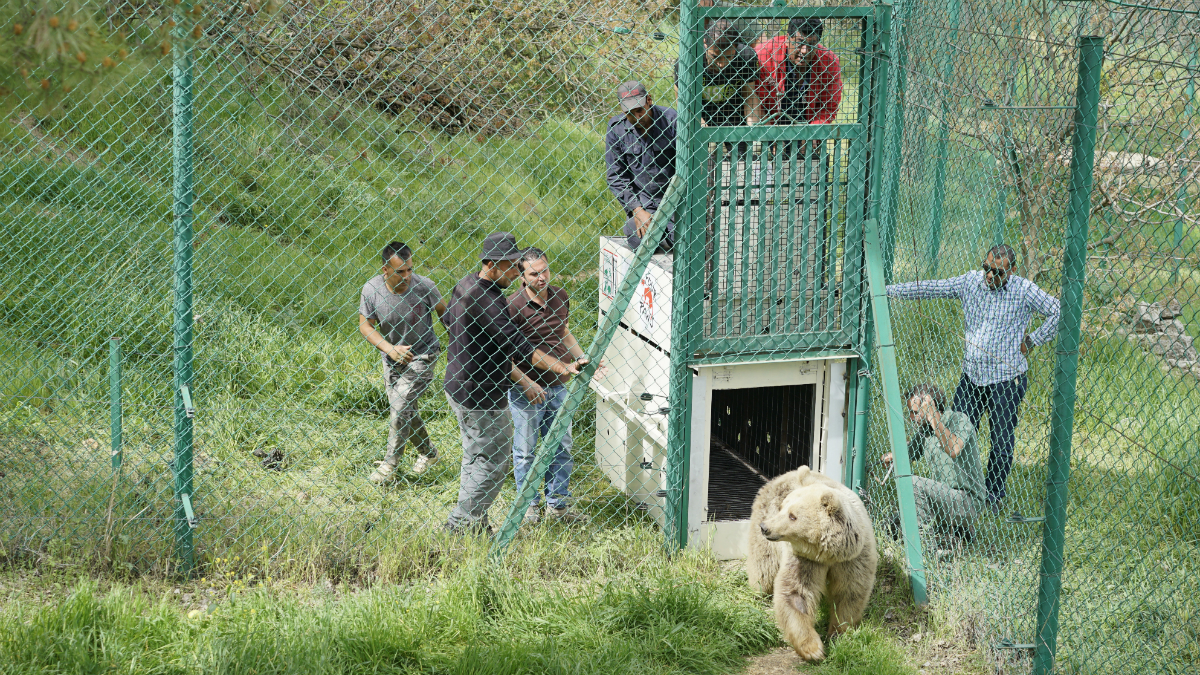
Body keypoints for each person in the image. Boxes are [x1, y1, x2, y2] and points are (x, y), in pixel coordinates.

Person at [886, 244, 1061, 509]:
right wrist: (887, 291)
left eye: (998, 272)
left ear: (1012, 270)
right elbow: (931, 288)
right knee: (952, 431)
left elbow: (1058, 311)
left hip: (1007, 379)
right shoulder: (970, 283)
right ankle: (956, 487)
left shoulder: (1024, 290)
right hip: (972, 378)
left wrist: (1033, 339)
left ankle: (992, 496)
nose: (990, 276)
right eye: (987, 268)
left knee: (1001, 440)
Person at [442, 232, 580, 535]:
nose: (517, 272)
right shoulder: (490, 302)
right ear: (491, 264)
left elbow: (448, 322)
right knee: (493, 464)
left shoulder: (466, 284)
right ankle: (459, 526)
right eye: (511, 266)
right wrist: (561, 367)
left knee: (475, 458)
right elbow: (521, 348)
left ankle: (475, 524)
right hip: (480, 394)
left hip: (460, 384)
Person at [507, 248, 590, 524]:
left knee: (561, 445)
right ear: (521, 275)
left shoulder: (559, 295)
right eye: (534, 273)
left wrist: (580, 358)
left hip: (559, 385)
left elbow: (563, 331)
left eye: (545, 270)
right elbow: (509, 355)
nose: (541, 277)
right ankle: (529, 506)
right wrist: (527, 382)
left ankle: (558, 505)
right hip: (527, 390)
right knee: (526, 450)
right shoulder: (513, 307)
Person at [359, 241, 447, 483]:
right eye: (400, 271)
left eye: (410, 269)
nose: (407, 276)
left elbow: (445, 314)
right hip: (392, 358)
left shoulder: (424, 286)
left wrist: (461, 347)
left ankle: (390, 465)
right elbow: (365, 325)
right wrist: (390, 349)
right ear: (385, 270)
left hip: (423, 355)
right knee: (405, 409)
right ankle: (429, 454)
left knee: (399, 407)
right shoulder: (371, 289)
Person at [882, 384, 985, 545]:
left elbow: (954, 448)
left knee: (912, 483)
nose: (911, 417)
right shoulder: (926, 431)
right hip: (943, 500)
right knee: (892, 524)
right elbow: (907, 453)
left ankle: (923, 546)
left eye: (915, 412)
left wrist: (933, 418)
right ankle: (954, 532)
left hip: (968, 501)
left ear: (930, 407)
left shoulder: (958, 420)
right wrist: (893, 456)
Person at [605, 80, 677, 252]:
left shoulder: (672, 121)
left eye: (639, 110)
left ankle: (668, 233)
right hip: (644, 202)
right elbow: (615, 176)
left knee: (683, 238)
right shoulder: (616, 129)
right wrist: (637, 210)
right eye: (630, 113)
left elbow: (690, 166)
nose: (636, 117)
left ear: (649, 100)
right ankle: (659, 233)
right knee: (637, 238)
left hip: (674, 198)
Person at [673, 18, 762, 128]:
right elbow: (683, 102)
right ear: (705, 43)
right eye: (716, 57)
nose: (722, 64)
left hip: (733, 116)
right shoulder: (688, 61)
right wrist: (702, 129)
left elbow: (749, 96)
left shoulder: (746, 56)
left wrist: (754, 130)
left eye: (729, 57)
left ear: (736, 47)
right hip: (699, 114)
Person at [754, 17, 843, 126]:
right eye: (799, 43)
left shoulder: (829, 62)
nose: (805, 51)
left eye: (812, 44)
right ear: (787, 39)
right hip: (770, 125)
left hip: (808, 126)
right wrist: (772, 137)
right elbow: (756, 104)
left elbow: (828, 107)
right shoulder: (763, 56)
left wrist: (813, 134)